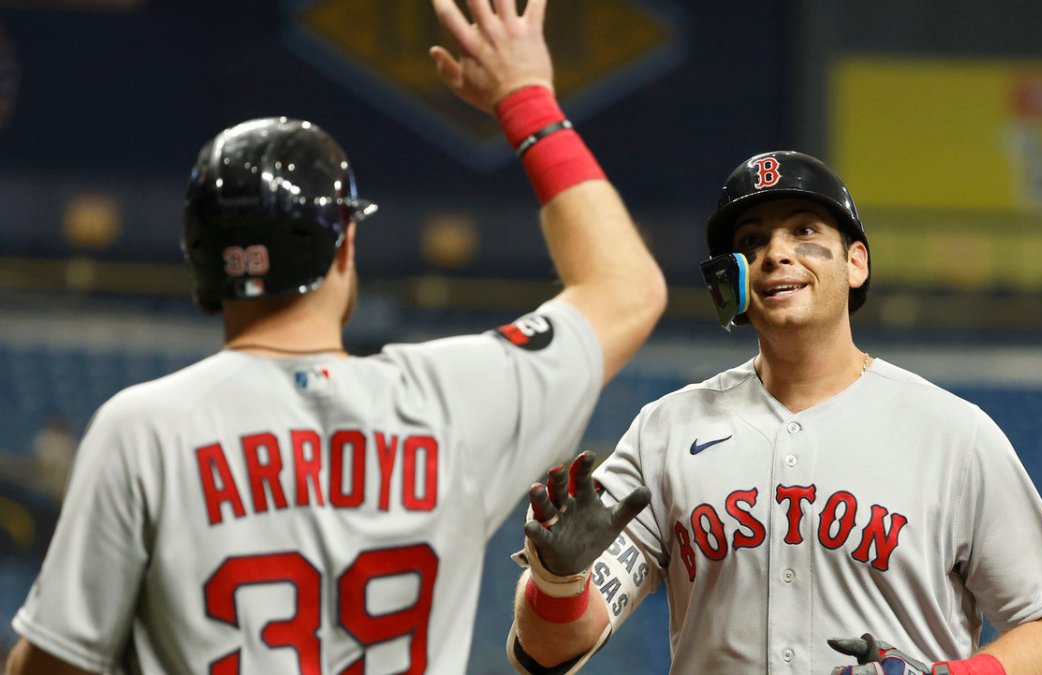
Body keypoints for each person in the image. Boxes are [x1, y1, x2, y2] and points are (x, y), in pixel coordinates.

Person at [5, 0, 666, 672]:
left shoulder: (142, 428)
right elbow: (627, 288)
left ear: (201, 258)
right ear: (345, 244)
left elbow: (50, 666)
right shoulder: (452, 397)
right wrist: (525, 98)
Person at [507, 151, 1042, 674]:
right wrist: (558, 584)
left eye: (804, 231)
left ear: (855, 263)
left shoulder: (953, 434)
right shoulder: (666, 431)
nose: (775, 254)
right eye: (752, 241)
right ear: (731, 280)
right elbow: (549, 652)